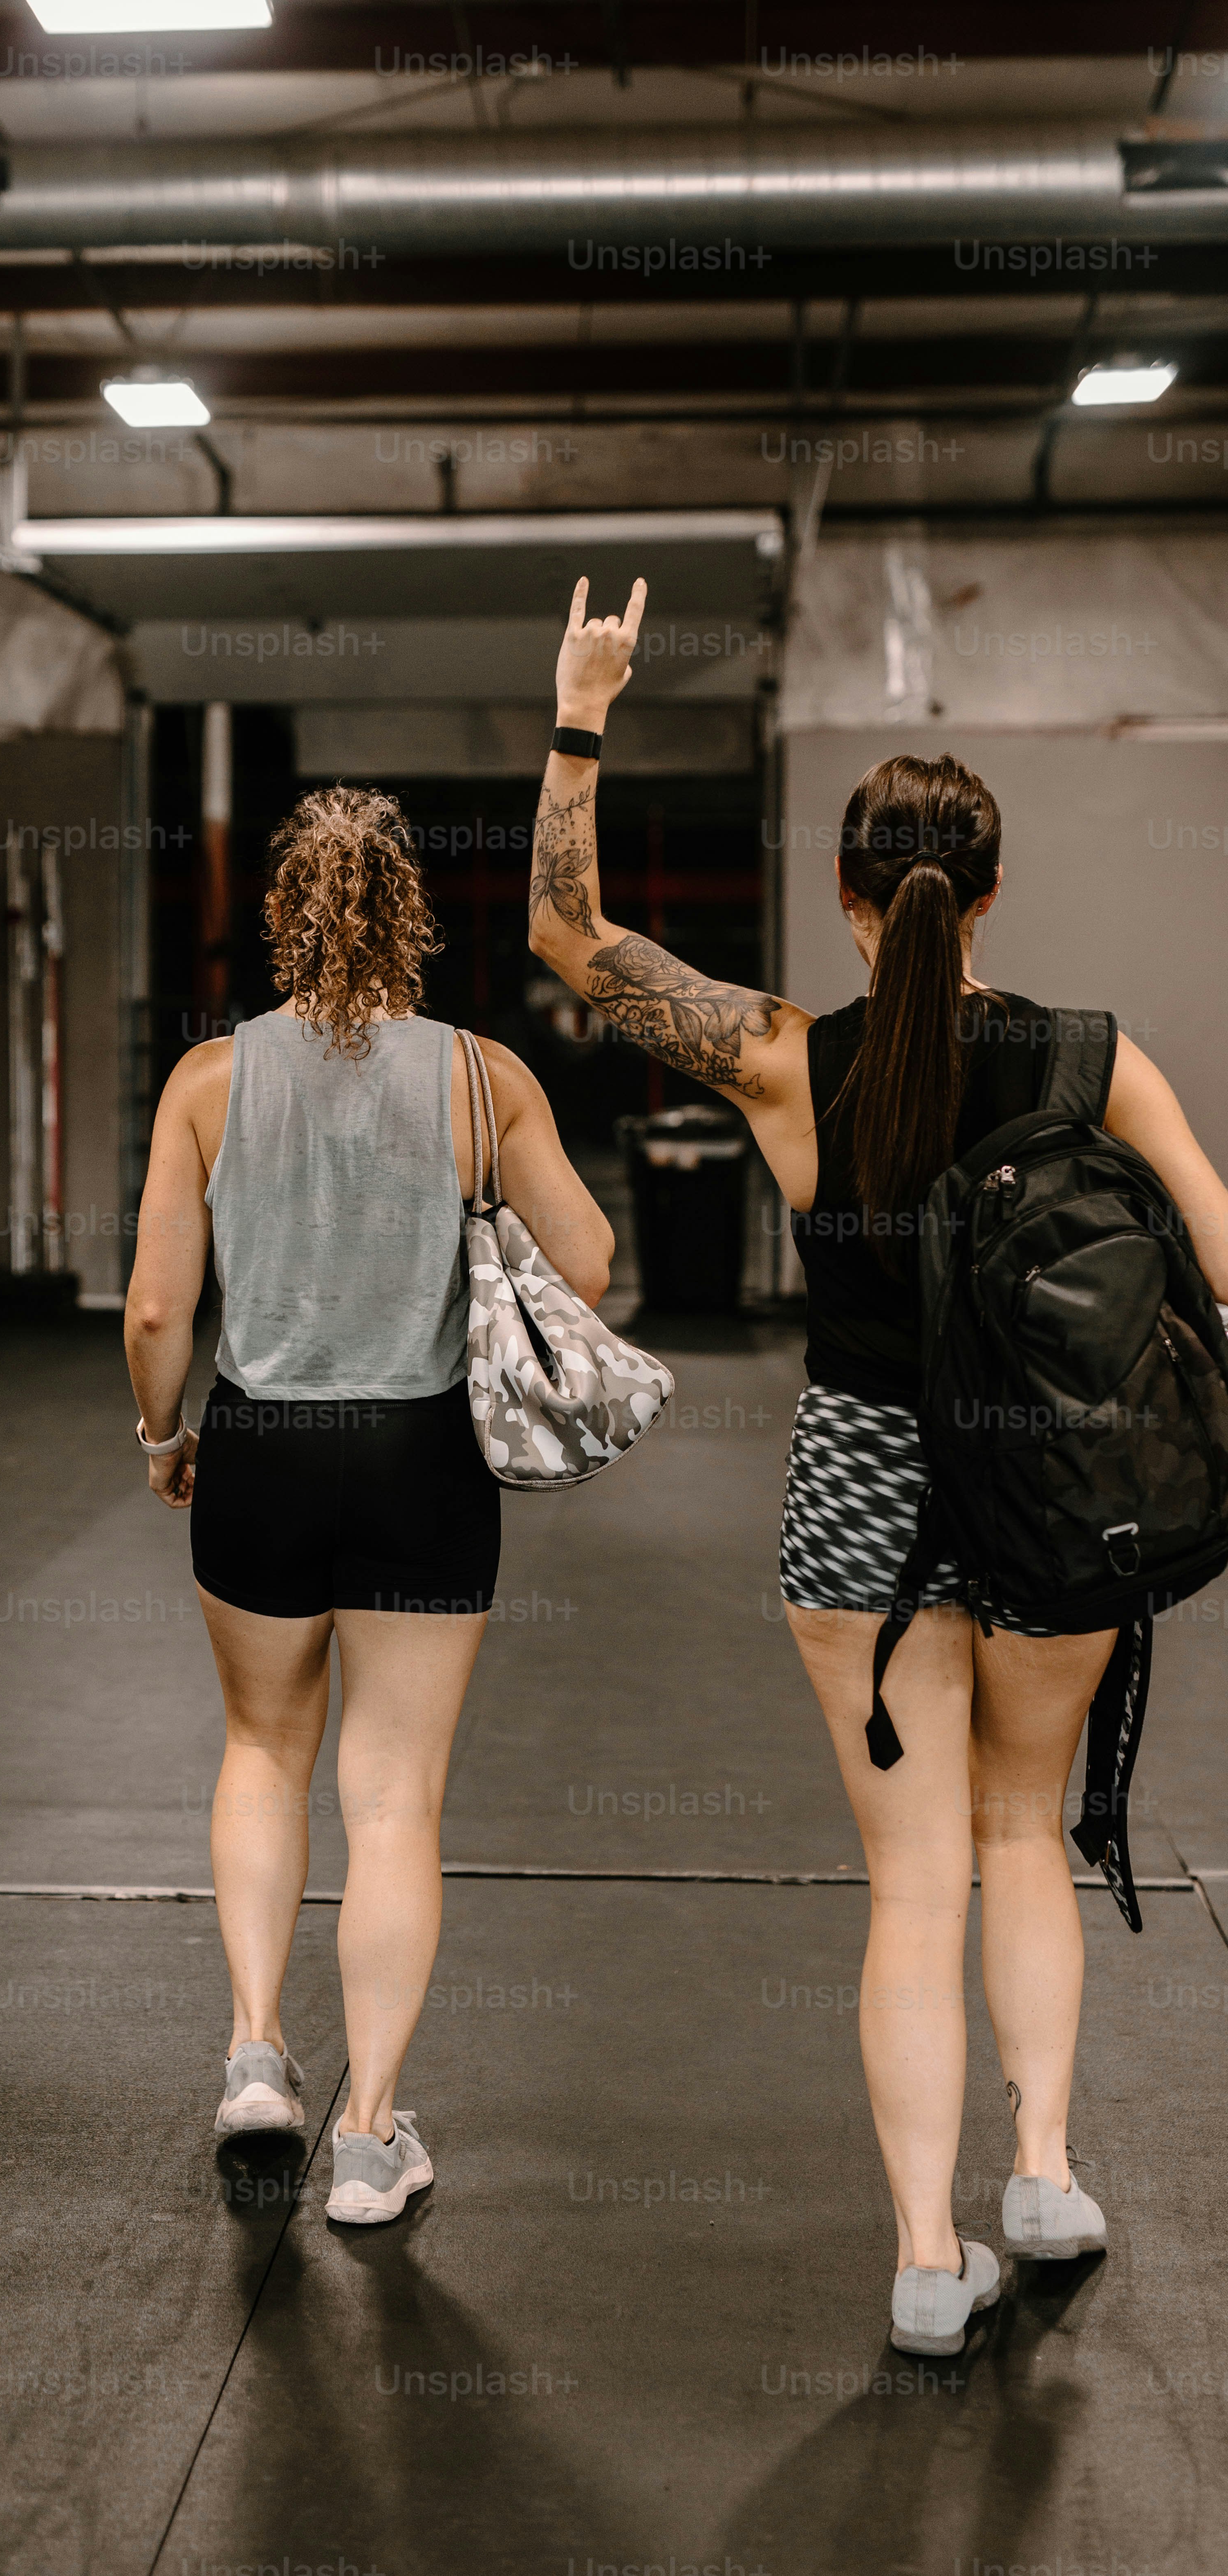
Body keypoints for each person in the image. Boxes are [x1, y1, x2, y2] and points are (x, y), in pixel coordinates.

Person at [528, 577, 1228, 2352]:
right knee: (1028, 1840)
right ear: (991, 896)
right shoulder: (1097, 1056)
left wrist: (582, 714)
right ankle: (1046, 2173)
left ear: (850, 900)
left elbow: (568, 937)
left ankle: (927, 2257)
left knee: (910, 1879)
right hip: (1063, 1492)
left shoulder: (781, 1056)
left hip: (861, 1493)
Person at [125, 785, 613, 2224]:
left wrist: (165, 1432)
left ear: (282, 911)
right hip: (424, 1456)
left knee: (263, 1752)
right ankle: (371, 2136)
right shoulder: (483, 1076)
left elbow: (160, 1303)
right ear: (414, 913)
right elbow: (583, 1256)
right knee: (393, 1798)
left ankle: (257, 2055)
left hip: (261, 1447)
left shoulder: (209, 1080)